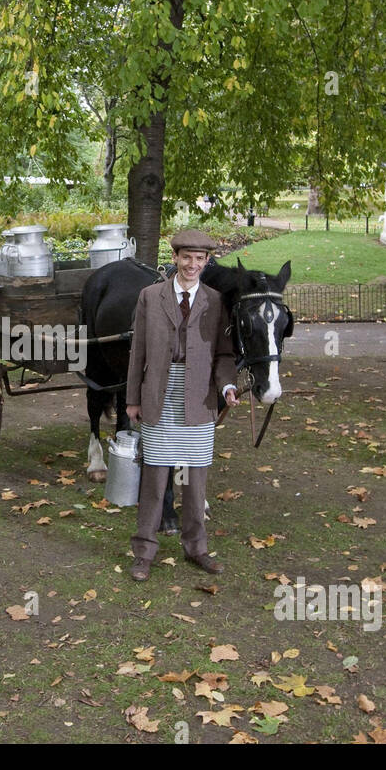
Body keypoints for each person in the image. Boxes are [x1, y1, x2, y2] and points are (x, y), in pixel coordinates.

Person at [125, 229, 238, 581]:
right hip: (159, 394)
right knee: (155, 481)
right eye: (186, 257)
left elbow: (223, 354)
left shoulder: (215, 301)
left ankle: (197, 548)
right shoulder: (150, 296)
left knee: (195, 483)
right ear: (174, 258)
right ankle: (144, 551)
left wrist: (228, 386)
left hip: (199, 400)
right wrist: (132, 399)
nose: (192, 265)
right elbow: (137, 352)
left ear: (206, 263)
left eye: (199, 259)